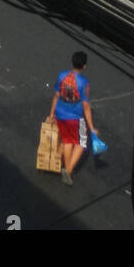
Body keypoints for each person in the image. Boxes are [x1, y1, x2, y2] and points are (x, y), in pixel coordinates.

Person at [48, 50, 97, 187]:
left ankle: (67, 168)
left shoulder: (62, 75)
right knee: (81, 143)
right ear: (84, 66)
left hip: (60, 114)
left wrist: (52, 114)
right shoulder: (83, 83)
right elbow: (86, 106)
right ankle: (68, 170)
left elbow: (56, 95)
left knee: (68, 141)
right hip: (75, 118)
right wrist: (92, 128)